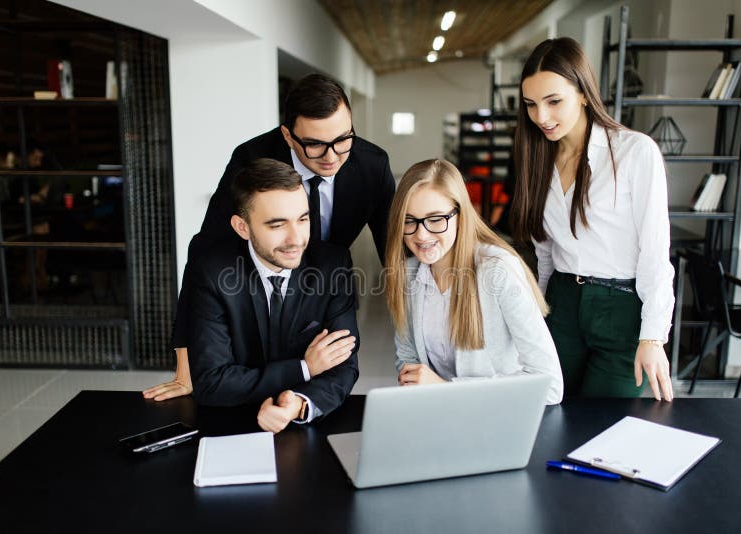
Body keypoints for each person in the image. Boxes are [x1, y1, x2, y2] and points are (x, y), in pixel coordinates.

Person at [144, 73, 395, 401]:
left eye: (343, 139)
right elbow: (203, 250)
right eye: (315, 144)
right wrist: (185, 360)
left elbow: (394, 248)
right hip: (257, 285)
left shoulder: (371, 165)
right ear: (289, 136)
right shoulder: (251, 160)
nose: (332, 156)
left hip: (327, 282)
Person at [510, 38, 675, 401]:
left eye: (554, 101)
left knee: (605, 428)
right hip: (562, 302)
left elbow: (655, 253)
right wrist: (536, 313)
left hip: (620, 306)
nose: (541, 117)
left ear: (583, 94)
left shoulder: (634, 152)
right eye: (531, 105)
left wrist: (652, 337)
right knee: (548, 412)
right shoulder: (536, 159)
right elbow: (546, 252)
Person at [184, 158, 359, 433]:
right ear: (242, 227)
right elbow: (211, 382)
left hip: (305, 423)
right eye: (277, 225)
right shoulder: (211, 271)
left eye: (303, 219)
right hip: (230, 424)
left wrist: (299, 404)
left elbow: (343, 366)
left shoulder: (332, 265)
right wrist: (304, 368)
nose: (296, 239)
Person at [385, 159, 563, 405]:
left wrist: (446, 390)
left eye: (436, 219)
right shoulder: (408, 274)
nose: (421, 234)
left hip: (494, 417)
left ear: (461, 214)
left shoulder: (497, 271)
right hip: (437, 412)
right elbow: (408, 356)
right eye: (409, 220)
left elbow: (550, 385)